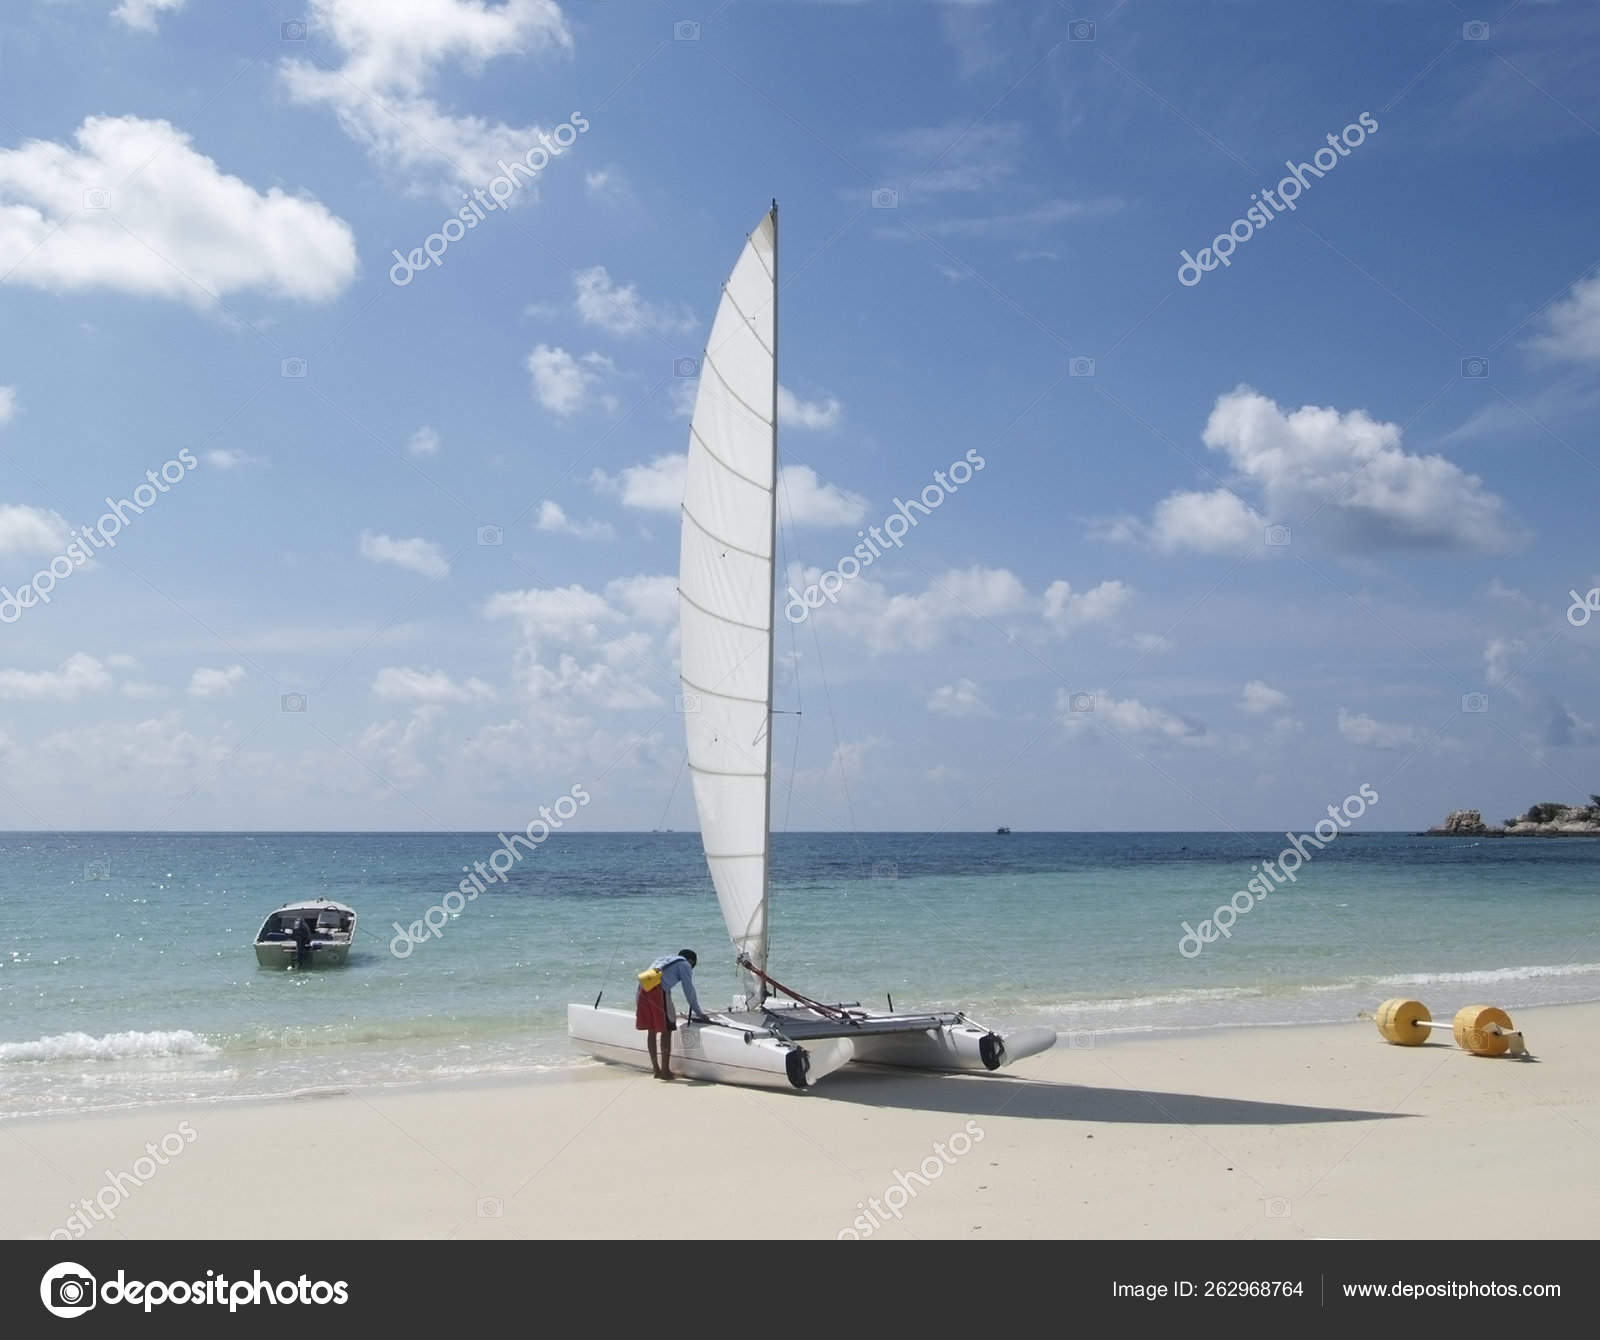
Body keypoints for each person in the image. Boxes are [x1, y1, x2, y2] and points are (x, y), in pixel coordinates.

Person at [635, 949, 704, 1080]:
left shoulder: (663, 959)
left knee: (652, 1030)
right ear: (691, 961)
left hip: (642, 989)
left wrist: (638, 1001)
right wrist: (698, 1012)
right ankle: (665, 1071)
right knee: (667, 1030)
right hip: (658, 992)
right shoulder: (685, 964)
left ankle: (656, 1070)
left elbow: (646, 978)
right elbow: (688, 989)